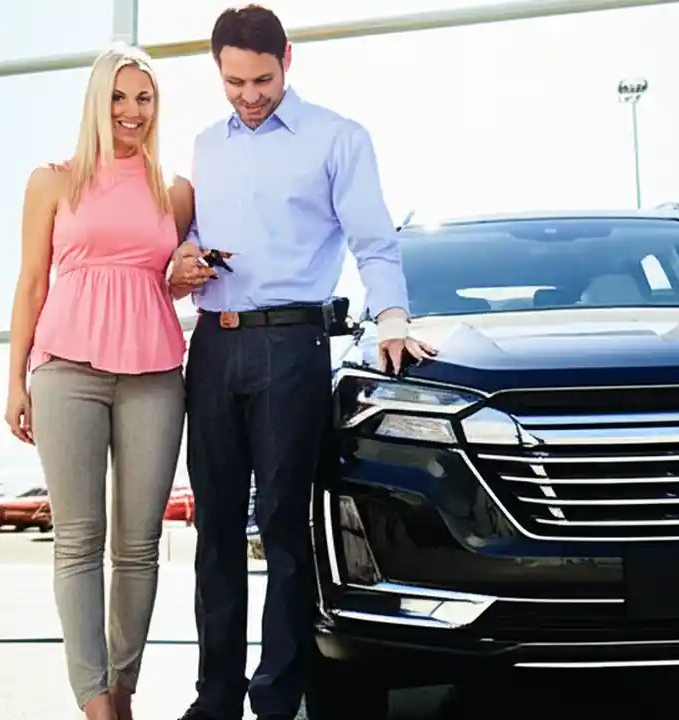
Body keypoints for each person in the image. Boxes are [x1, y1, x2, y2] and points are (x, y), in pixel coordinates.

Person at [165, 6, 436, 719]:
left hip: (292, 347)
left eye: (261, 80)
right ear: (217, 71)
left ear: (287, 60)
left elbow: (374, 241)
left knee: (285, 530)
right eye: (234, 83)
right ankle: (215, 698)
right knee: (215, 531)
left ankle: (278, 699)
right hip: (213, 345)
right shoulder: (204, 146)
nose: (249, 95)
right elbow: (187, 236)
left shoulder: (337, 138)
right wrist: (185, 260)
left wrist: (393, 318)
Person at [5, 43, 208, 720]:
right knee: (78, 542)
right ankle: (95, 706)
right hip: (66, 372)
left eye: (144, 98)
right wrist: (15, 380)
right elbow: (31, 284)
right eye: (119, 97)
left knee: (139, 546)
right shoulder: (52, 181)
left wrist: (184, 267)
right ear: (97, 102)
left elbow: (172, 274)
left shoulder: (175, 191)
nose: (131, 111)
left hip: (155, 375)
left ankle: (122, 692)